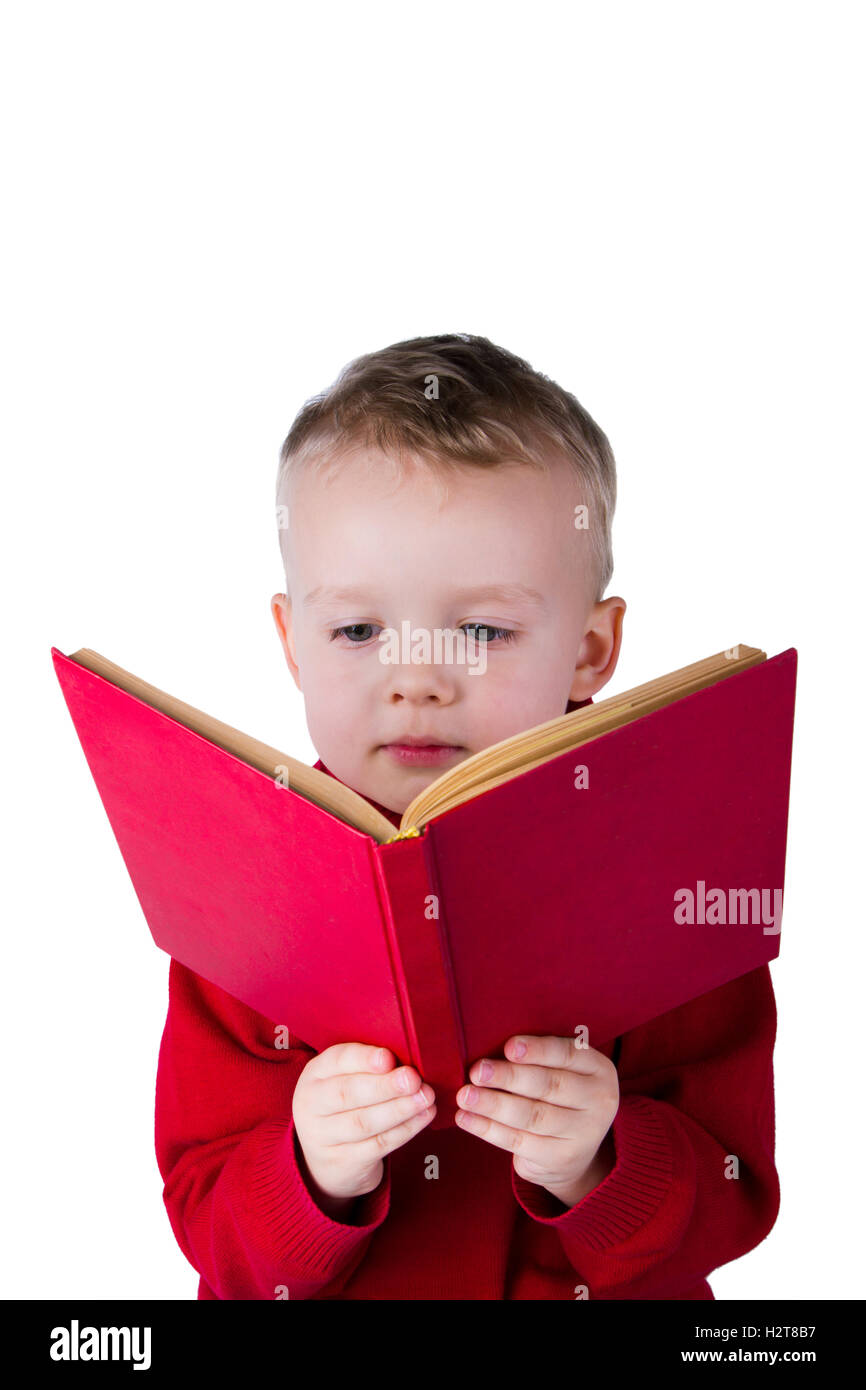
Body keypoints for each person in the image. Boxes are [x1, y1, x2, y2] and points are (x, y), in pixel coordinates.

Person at [155, 333, 779, 1299]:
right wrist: (312, 1172)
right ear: (291, 642)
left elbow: (736, 1200)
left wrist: (600, 1160)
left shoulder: (674, 867)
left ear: (591, 649)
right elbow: (213, 1233)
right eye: (359, 631)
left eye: (482, 630)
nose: (417, 683)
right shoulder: (248, 882)